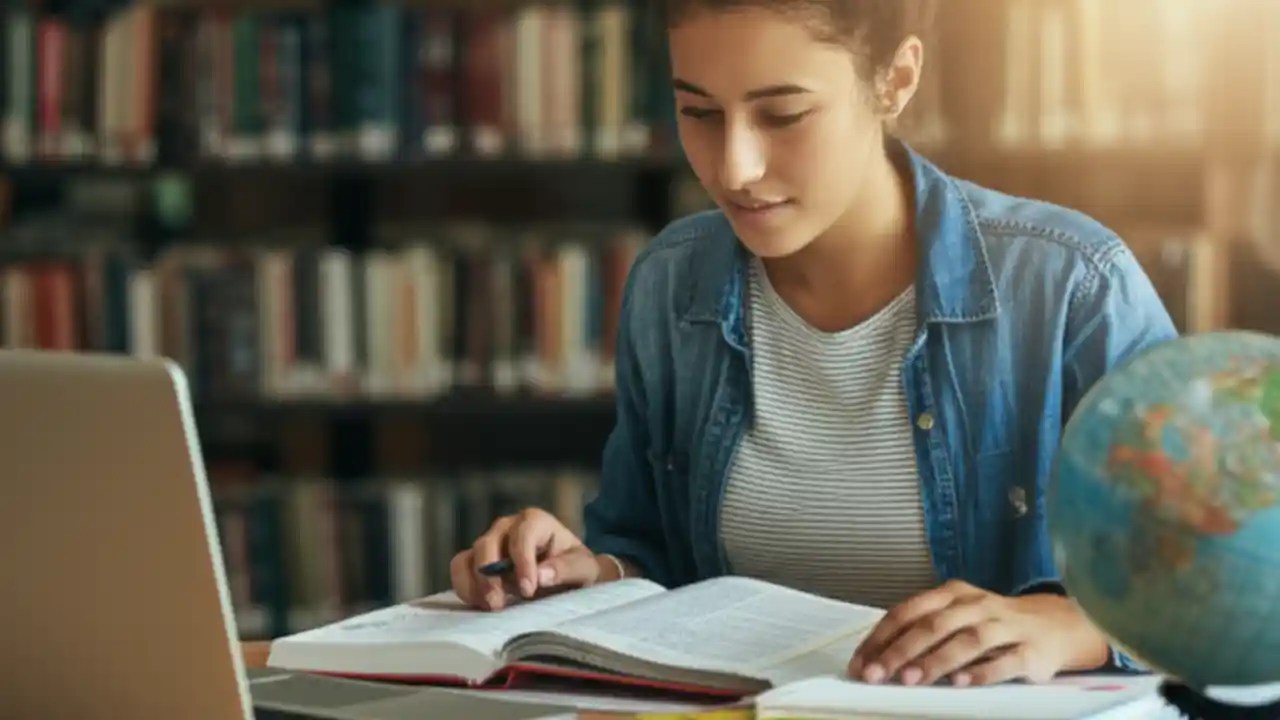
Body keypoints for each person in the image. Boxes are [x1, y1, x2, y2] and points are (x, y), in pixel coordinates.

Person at [450, 0, 1178, 689]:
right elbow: (651, 553)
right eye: (698, 112)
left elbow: (1231, 581)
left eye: (784, 115)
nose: (734, 168)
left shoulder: (1073, 290)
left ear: (894, 80)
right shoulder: (670, 287)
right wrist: (583, 576)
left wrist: (1074, 625)